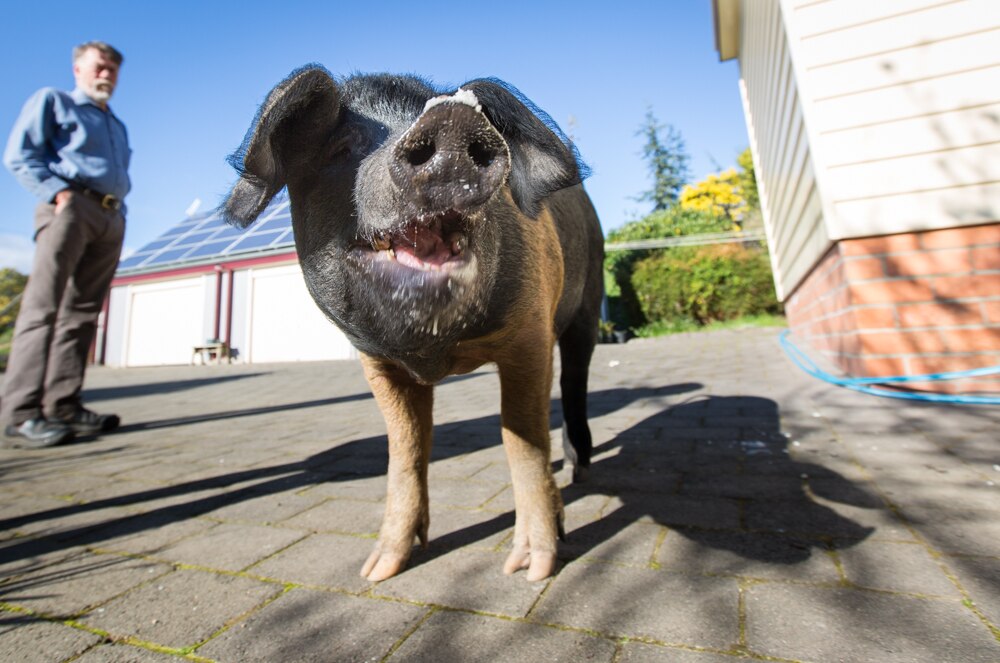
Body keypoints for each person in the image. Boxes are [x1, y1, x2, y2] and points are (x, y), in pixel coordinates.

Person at [1, 41, 130, 448]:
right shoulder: (54, 102)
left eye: (112, 68)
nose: (106, 74)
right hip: (70, 207)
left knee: (83, 314)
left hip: (110, 217)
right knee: (43, 310)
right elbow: (20, 155)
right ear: (78, 69)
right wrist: (58, 194)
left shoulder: (116, 123)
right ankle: (20, 413)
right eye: (99, 66)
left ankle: (64, 404)